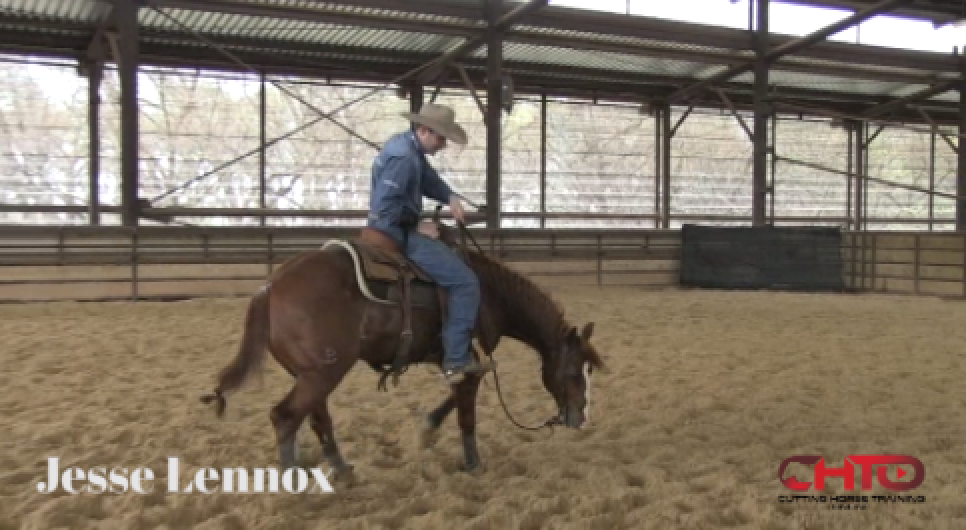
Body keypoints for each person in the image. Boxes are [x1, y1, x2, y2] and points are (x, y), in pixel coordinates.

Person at [367, 102, 495, 382]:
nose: (443, 145)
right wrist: (416, 225)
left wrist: (449, 197)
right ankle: (456, 360)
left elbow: (428, 179)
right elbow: (384, 207)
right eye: (441, 138)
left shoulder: (407, 148)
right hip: (393, 231)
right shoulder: (402, 158)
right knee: (466, 283)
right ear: (424, 131)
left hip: (396, 226)